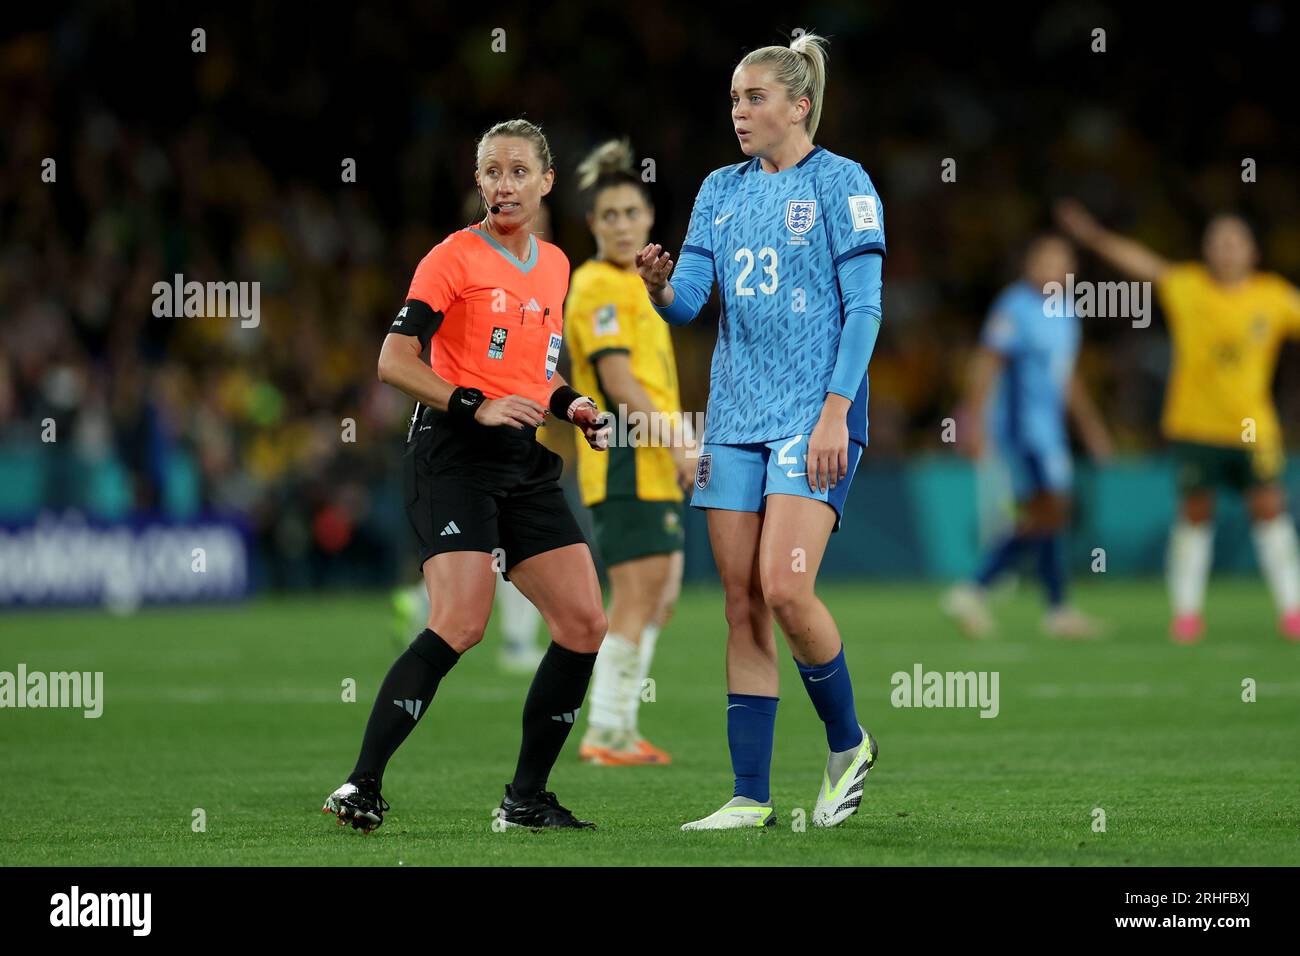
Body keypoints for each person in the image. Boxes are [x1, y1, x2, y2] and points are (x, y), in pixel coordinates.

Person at [323, 118, 613, 833]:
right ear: (478, 181)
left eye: (518, 172)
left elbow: (530, 376)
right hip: (451, 452)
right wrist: (470, 405)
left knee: (583, 624)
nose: (503, 185)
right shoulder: (451, 258)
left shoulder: (555, 266)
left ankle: (525, 800)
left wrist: (570, 403)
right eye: (491, 172)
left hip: (521, 457)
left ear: (546, 182)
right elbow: (393, 360)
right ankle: (360, 785)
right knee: (460, 622)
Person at [637, 32, 883, 829]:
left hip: (813, 416)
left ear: (798, 105)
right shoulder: (719, 189)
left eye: (755, 98)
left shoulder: (845, 183)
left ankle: (848, 744)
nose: (739, 111)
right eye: (735, 99)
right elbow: (689, 305)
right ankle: (750, 796)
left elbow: (866, 309)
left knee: (785, 587)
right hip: (736, 418)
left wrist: (837, 413)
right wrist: (661, 284)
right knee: (741, 603)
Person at [1057, 201, 1300, 643]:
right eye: (1217, 241)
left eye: (1234, 242)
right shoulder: (1186, 286)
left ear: (1252, 251)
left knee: (1269, 511)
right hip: (1194, 427)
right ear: (1207, 249)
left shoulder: (1274, 296)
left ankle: (1291, 611)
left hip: (1254, 431)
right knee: (1194, 515)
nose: (1225, 250)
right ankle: (1186, 615)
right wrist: (1093, 236)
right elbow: (1140, 262)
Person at [565, 139, 693, 766]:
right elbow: (618, 383)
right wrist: (681, 442)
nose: (620, 224)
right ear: (592, 225)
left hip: (654, 462)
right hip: (623, 459)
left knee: (662, 593)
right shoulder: (595, 285)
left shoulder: (641, 286)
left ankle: (620, 725)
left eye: (630, 213)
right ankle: (605, 730)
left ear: (648, 221)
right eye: (608, 215)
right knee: (636, 595)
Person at [942, 234, 1113, 638]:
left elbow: (1067, 379)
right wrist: (974, 425)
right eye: (1044, 260)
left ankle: (1039, 604)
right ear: (1029, 266)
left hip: (1049, 431)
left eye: (1060, 262)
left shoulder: (1067, 313)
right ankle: (990, 592)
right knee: (1049, 510)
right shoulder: (1014, 306)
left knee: (1045, 515)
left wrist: (1092, 429)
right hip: (1021, 431)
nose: (1052, 269)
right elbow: (986, 365)